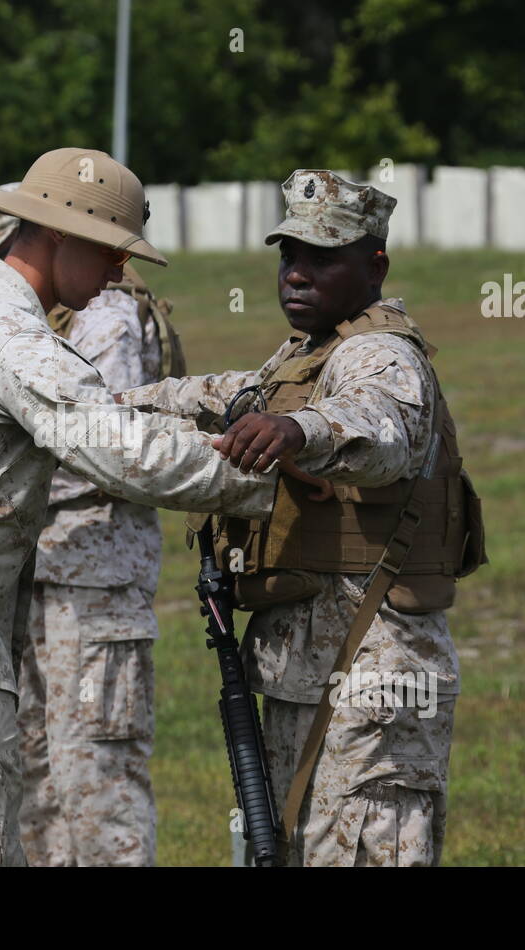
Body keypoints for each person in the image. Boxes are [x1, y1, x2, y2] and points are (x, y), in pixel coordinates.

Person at [0, 147, 292, 867]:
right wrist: (269, 488)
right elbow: (117, 450)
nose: (120, 273)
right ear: (58, 236)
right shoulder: (13, 338)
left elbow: (107, 415)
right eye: (110, 252)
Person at [118, 170, 484, 866]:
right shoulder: (304, 355)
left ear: (375, 263)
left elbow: (382, 431)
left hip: (376, 678)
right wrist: (93, 406)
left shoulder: (382, 355)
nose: (297, 274)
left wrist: (300, 432)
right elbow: (209, 395)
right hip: (308, 670)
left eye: (323, 258)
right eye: (289, 256)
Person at [0, 185, 182, 866]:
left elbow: (102, 452)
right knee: (36, 774)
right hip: (42, 575)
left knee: (97, 780)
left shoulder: (104, 316)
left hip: (96, 581)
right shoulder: (43, 321)